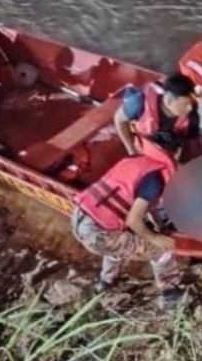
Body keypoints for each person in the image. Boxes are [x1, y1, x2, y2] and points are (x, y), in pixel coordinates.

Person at [72, 129, 185, 310]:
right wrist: (156, 238)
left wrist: (159, 225)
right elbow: (134, 220)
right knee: (161, 251)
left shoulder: (134, 161)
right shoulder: (154, 179)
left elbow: (139, 202)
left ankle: (106, 283)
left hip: (80, 217)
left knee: (118, 243)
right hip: (99, 233)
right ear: (176, 153)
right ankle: (170, 295)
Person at [113, 74, 202, 161]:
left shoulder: (192, 115)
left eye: (191, 104)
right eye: (185, 104)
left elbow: (194, 139)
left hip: (169, 153)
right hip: (143, 147)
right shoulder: (139, 102)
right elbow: (119, 119)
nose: (190, 108)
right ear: (169, 101)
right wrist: (132, 151)